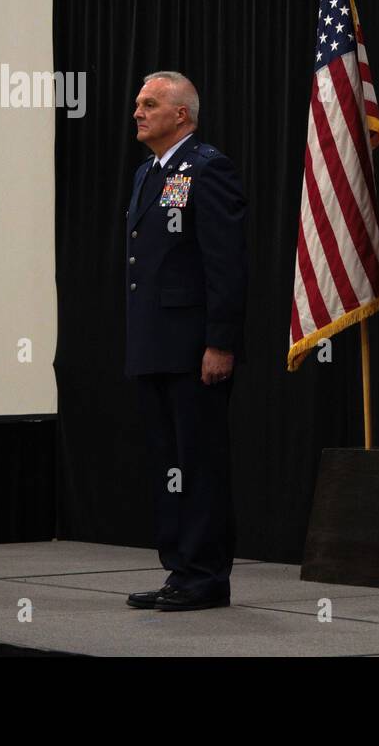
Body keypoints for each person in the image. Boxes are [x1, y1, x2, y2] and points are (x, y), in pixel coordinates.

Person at [123, 71, 246, 612]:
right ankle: (180, 569)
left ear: (181, 114)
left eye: (149, 104)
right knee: (167, 465)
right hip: (153, 344)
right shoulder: (147, 173)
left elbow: (226, 263)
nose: (138, 112)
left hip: (194, 348)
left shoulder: (208, 167)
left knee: (199, 465)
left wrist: (220, 341)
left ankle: (206, 576)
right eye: (138, 104)